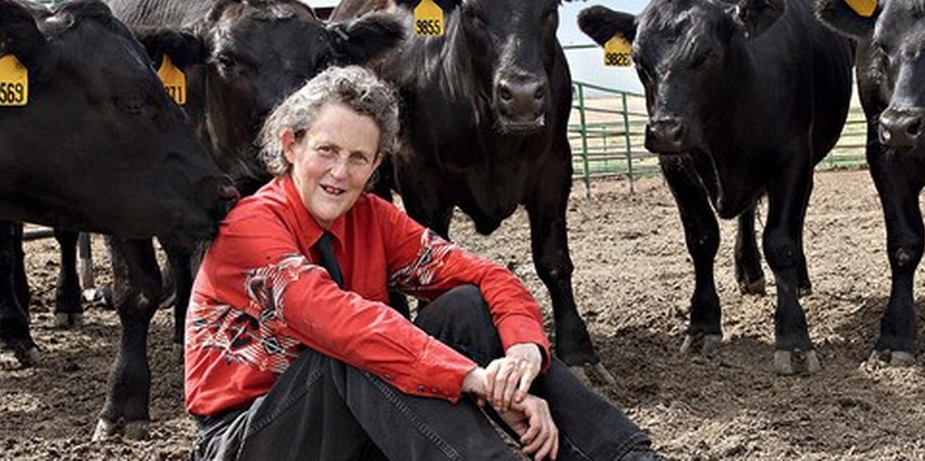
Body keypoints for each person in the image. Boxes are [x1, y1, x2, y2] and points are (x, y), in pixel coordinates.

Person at [184, 64, 664, 460]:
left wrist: (522, 356)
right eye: (326, 150)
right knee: (356, 346)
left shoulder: (373, 217)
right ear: (291, 146)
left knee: (464, 306)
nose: (339, 172)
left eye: (358, 158)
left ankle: (622, 456)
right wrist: (475, 381)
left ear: (375, 168)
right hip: (248, 436)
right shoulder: (248, 227)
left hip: (354, 419)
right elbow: (341, 324)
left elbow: (487, 276)